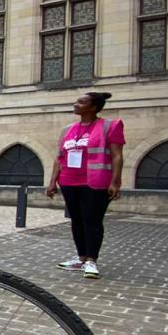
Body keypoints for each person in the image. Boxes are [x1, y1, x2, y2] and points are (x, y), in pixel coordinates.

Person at [45, 93, 124, 279]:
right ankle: (81, 257)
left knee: (92, 220)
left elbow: (117, 156)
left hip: (95, 182)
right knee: (77, 220)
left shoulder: (109, 126)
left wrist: (115, 181)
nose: (76, 104)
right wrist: (52, 182)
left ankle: (91, 260)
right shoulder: (67, 130)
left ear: (93, 107)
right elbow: (59, 157)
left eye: (81, 102)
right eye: (77, 101)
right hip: (69, 181)